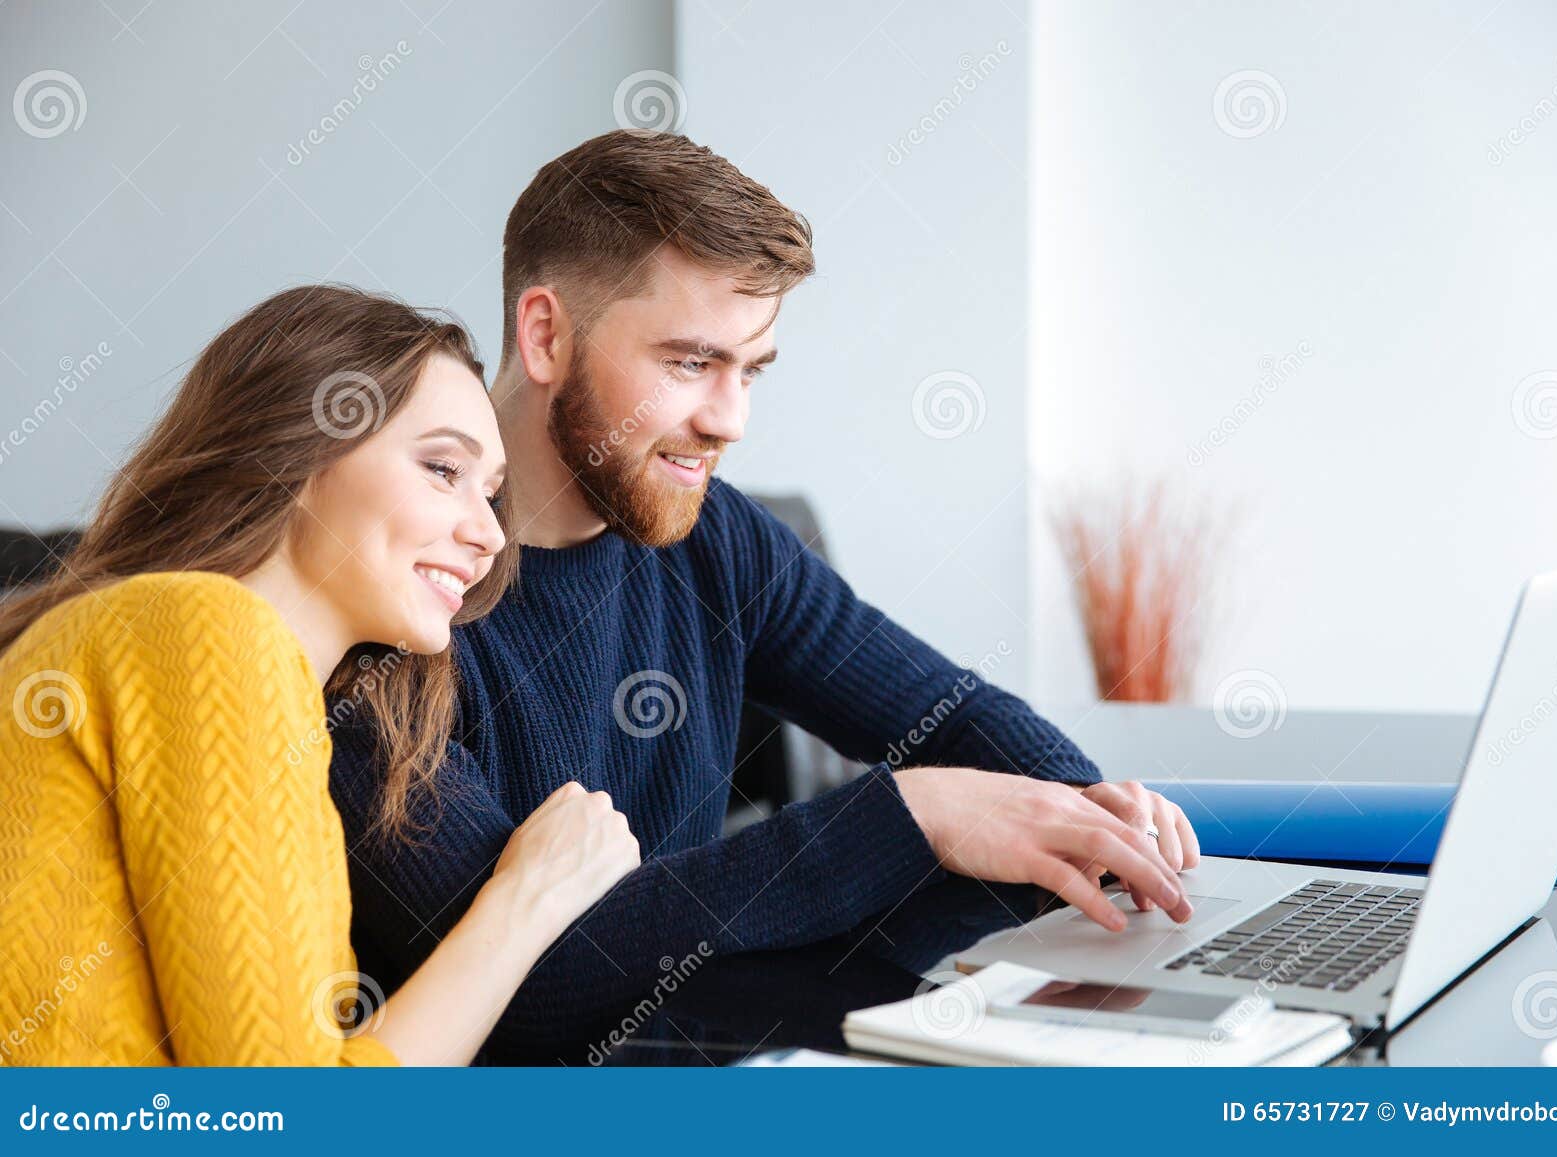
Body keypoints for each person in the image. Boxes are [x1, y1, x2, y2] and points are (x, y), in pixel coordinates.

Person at [329, 132, 1202, 1062]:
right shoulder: (393, 604)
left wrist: (1097, 817)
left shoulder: (718, 539)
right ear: (545, 334)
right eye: (689, 362)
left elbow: (958, 718)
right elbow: (522, 997)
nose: (729, 419)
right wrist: (911, 816)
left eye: (750, 370)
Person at [0, 284, 639, 1066]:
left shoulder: (255, 683)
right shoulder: (203, 627)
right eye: (444, 469)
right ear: (302, 453)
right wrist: (527, 898)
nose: (486, 535)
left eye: (494, 495)